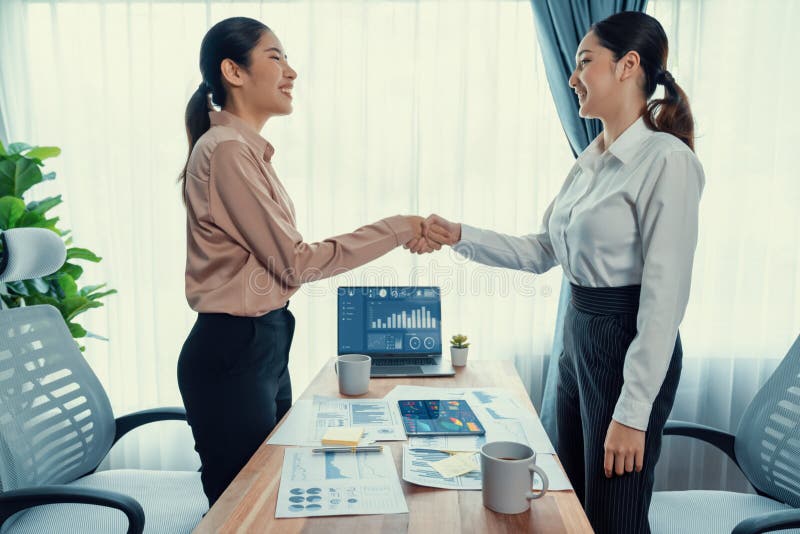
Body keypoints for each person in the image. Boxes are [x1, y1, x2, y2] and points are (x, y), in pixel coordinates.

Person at [416, 11, 703, 534]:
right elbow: (541, 251)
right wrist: (459, 235)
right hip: (580, 334)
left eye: (584, 62)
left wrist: (632, 413)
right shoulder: (591, 159)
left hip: (625, 343)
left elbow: (664, 300)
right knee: (569, 501)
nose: (572, 78)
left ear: (628, 66)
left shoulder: (666, 161)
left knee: (614, 516)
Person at [176, 17, 435, 507]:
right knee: (246, 508)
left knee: (272, 493)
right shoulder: (228, 150)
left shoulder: (244, 152)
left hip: (260, 342)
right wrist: (400, 227)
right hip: (235, 351)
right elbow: (297, 263)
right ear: (233, 71)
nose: (291, 72)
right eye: (276, 57)